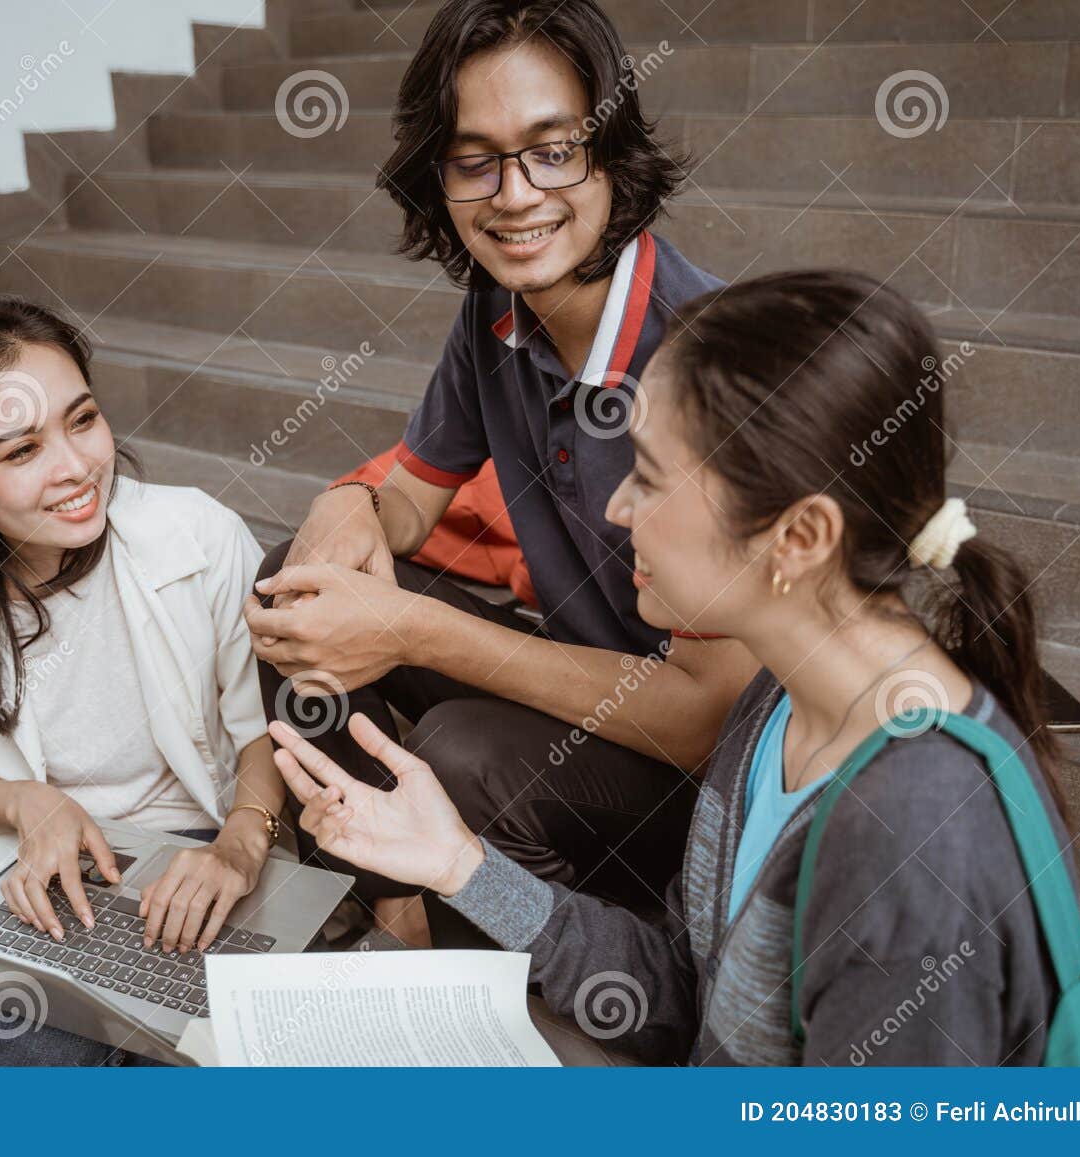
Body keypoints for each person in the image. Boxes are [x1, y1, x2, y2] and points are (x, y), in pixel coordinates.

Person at [266, 271, 1076, 1065]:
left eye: (647, 477)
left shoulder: (914, 839)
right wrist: (460, 867)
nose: (616, 509)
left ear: (797, 539)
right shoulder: (774, 710)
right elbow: (689, 997)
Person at [245, 0, 757, 947]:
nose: (515, 195)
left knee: (464, 756)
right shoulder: (498, 309)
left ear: (612, 151)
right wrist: (350, 501)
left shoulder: (705, 356)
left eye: (554, 149)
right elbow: (408, 500)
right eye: (475, 160)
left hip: (699, 783)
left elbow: (701, 717)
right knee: (295, 577)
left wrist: (413, 629)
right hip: (580, 701)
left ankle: (494, 975)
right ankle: (391, 904)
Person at [0, 295, 286, 1065]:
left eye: (82, 420)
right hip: (49, 873)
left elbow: (264, 730)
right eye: (21, 451)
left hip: (194, 842)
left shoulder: (197, 535)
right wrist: (29, 804)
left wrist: (240, 846)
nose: (76, 467)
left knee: (207, 1053)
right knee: (17, 1053)